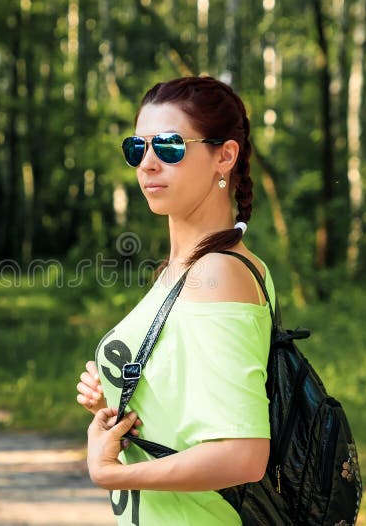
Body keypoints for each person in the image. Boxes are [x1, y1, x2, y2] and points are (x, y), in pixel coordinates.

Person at [75, 76, 275, 525]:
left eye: (168, 146)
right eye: (137, 148)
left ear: (224, 155)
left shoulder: (217, 273)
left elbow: (243, 454)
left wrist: (113, 474)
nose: (147, 163)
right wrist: (119, 395)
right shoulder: (185, 271)